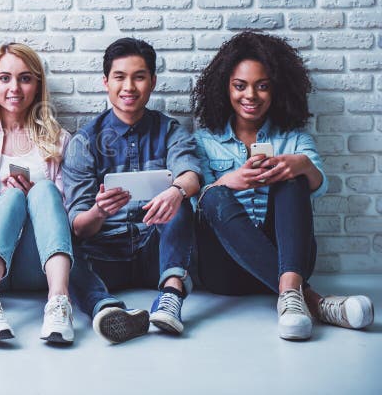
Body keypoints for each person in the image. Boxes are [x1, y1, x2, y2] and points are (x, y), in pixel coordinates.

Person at [192, 30, 374, 340]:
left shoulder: (294, 137)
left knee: (293, 180)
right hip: (224, 270)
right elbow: (198, 208)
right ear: (225, 88)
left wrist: (301, 165)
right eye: (240, 86)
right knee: (212, 195)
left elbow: (320, 185)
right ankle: (315, 302)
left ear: (276, 90)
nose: (250, 95)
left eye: (262, 86)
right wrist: (228, 182)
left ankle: (290, 294)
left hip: (289, 258)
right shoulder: (204, 141)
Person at [62, 38, 201, 344]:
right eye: (119, 77)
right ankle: (107, 309)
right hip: (105, 253)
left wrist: (176, 191)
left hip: (157, 249)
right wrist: (99, 210)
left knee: (182, 202)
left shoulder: (170, 131)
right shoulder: (84, 142)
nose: (129, 87)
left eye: (139, 77)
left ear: (152, 81)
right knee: (64, 253)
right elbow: (79, 227)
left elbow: (191, 176)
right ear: (105, 82)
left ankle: (170, 296)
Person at [0, 43, 74, 344]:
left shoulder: (59, 141)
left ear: (37, 85)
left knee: (43, 189)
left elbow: (67, 219)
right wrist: (7, 204)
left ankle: (59, 302)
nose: (14, 88)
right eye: (5, 78)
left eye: (25, 78)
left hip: (37, 265)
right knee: (13, 196)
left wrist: (33, 201)